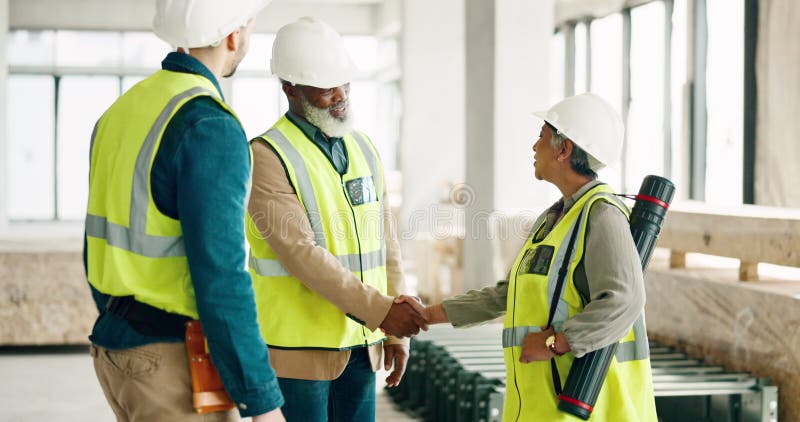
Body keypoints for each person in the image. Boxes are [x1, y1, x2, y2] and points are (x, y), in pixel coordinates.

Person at [398, 93, 658, 420]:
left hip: (588, 408)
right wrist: (429, 314)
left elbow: (626, 299)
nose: (535, 147)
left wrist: (555, 342)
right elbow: (511, 293)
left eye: (542, 138)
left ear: (564, 150)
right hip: (539, 406)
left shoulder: (602, 215)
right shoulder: (554, 219)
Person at [83, 1, 284, 420]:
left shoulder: (120, 112)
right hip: (170, 361)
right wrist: (262, 400)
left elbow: (95, 244)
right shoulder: (208, 126)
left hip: (115, 348)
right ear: (233, 35)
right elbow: (222, 275)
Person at [244, 16, 426, 422]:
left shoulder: (363, 147)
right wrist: (381, 310)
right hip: (298, 356)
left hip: (360, 347)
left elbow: (386, 244)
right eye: (327, 87)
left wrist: (392, 328)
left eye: (344, 82)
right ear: (289, 87)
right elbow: (300, 255)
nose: (341, 95)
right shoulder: (266, 156)